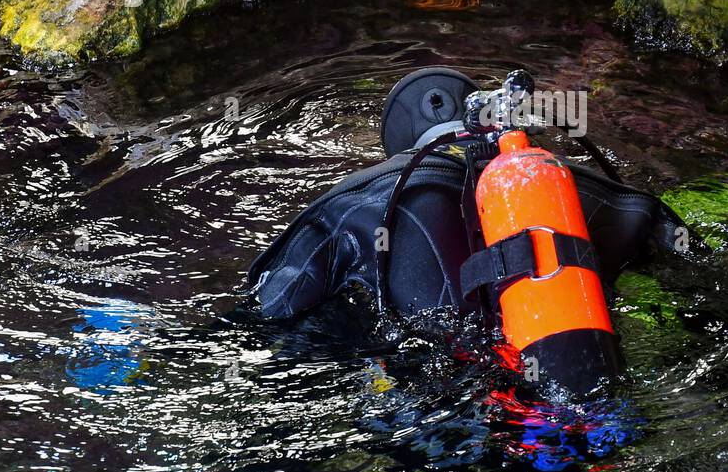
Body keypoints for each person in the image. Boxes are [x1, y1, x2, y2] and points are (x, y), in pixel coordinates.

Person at [248, 67, 690, 395]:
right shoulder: (573, 184)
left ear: (399, 148)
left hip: (445, 395)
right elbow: (682, 248)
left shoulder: (360, 198)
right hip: (572, 373)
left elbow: (275, 305)